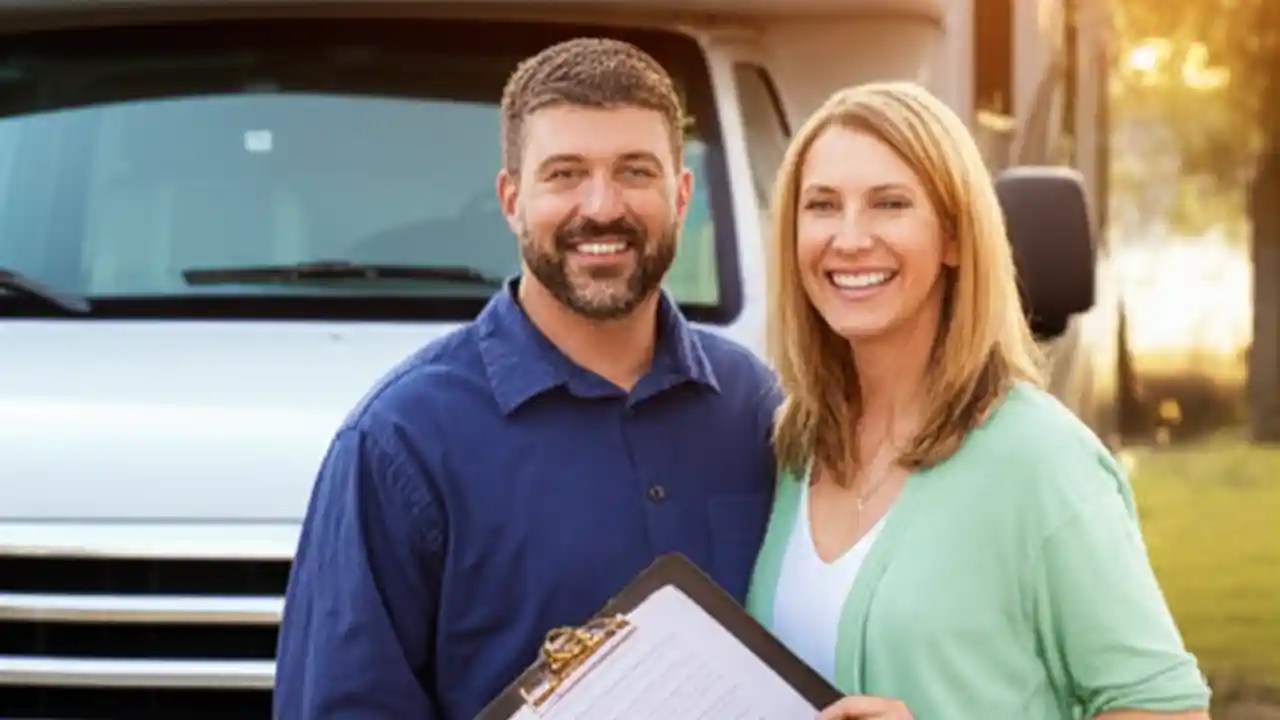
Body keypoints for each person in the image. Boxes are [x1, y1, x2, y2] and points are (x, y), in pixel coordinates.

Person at [272, 37, 780, 719]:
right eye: (565, 174)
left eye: (634, 171)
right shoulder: (401, 441)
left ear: (682, 195)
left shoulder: (756, 409)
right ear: (511, 200)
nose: (601, 207)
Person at [744, 81, 1213, 720]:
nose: (849, 238)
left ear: (955, 238)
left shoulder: (1041, 460)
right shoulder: (795, 444)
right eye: (822, 205)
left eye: (889, 204)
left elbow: (1166, 709)